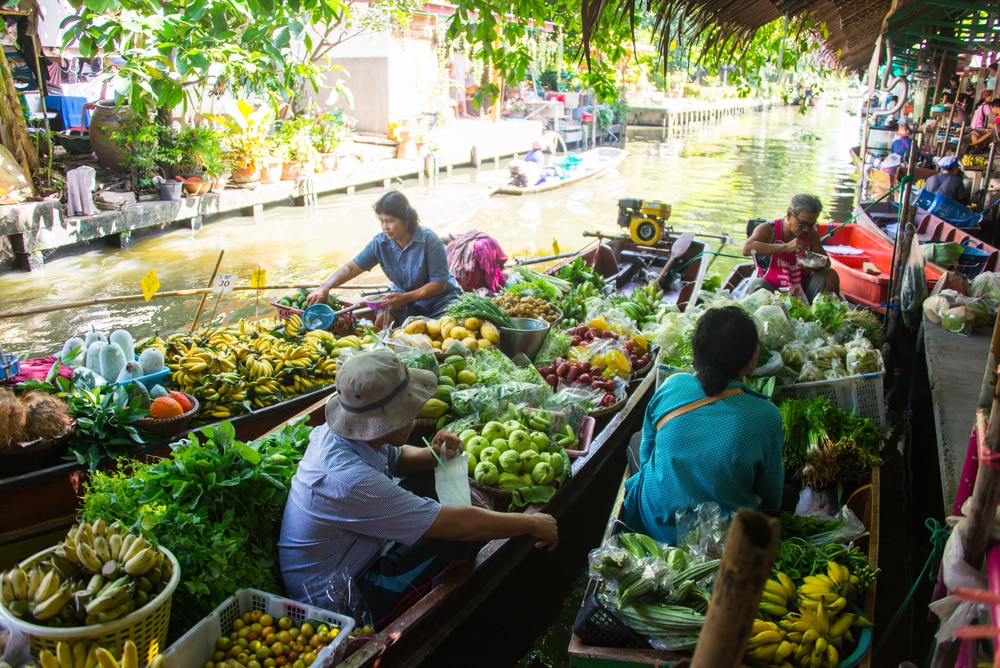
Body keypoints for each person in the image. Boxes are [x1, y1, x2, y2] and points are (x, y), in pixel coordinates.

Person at [279, 349, 559, 626]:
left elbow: (400, 460)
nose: (415, 413)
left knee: (438, 485)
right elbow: (457, 525)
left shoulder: (348, 437)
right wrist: (531, 523)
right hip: (343, 600)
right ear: (384, 422)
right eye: (409, 409)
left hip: (355, 554)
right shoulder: (351, 481)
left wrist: (434, 453)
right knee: (460, 538)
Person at [621, 306, 784, 544]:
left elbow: (647, 453)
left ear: (696, 352)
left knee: (637, 440)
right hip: (716, 541)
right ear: (752, 360)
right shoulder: (766, 415)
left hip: (656, 525)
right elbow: (771, 495)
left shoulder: (673, 385)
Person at [306, 191, 463, 328]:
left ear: (406, 220)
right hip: (402, 300)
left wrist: (405, 298)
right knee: (383, 320)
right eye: (382, 221)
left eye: (390, 221)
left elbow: (439, 284)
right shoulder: (380, 243)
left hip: (440, 301)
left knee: (451, 326)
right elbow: (351, 268)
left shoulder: (429, 240)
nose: (385, 227)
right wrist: (325, 287)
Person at [741, 194, 840, 304]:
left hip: (803, 293)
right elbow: (746, 249)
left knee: (831, 275)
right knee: (757, 284)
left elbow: (826, 264)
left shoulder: (811, 235)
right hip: (772, 291)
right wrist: (786, 247)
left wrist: (813, 263)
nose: (806, 229)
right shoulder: (769, 229)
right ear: (789, 215)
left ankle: (819, 311)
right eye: (802, 224)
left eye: (811, 225)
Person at [449, 47, 470, 118]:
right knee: (462, 97)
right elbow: (470, 65)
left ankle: (457, 114)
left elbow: (452, 64)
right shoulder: (463, 57)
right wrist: (466, 74)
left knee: (454, 97)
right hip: (462, 80)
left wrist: (451, 73)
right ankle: (465, 112)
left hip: (454, 79)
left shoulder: (452, 56)